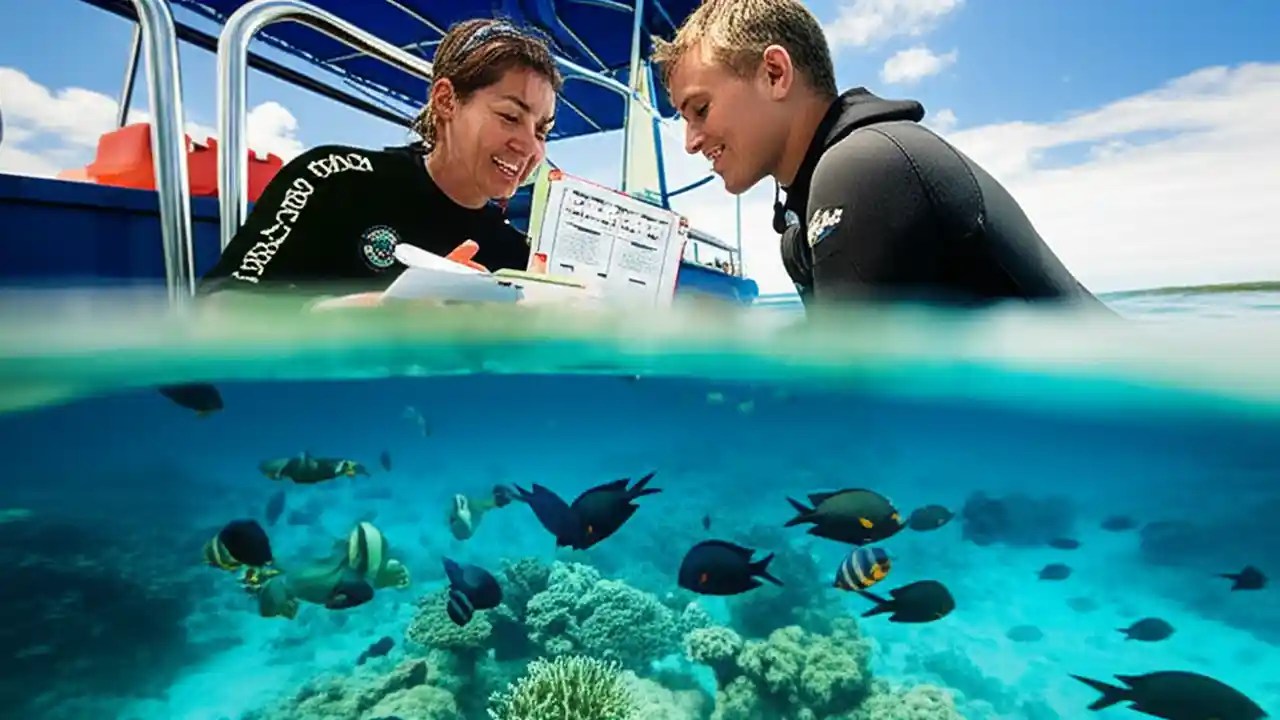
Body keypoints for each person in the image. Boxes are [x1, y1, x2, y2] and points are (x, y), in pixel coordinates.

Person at [651, 0, 1101, 310]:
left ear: (775, 73)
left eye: (701, 109)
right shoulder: (807, 207)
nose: (690, 141)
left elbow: (850, 419)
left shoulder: (863, 169)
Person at [197, 18, 562, 307]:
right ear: (447, 101)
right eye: (510, 117)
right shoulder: (333, 179)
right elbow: (216, 310)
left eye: (542, 131)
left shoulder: (516, 255)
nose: (530, 147)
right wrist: (352, 317)